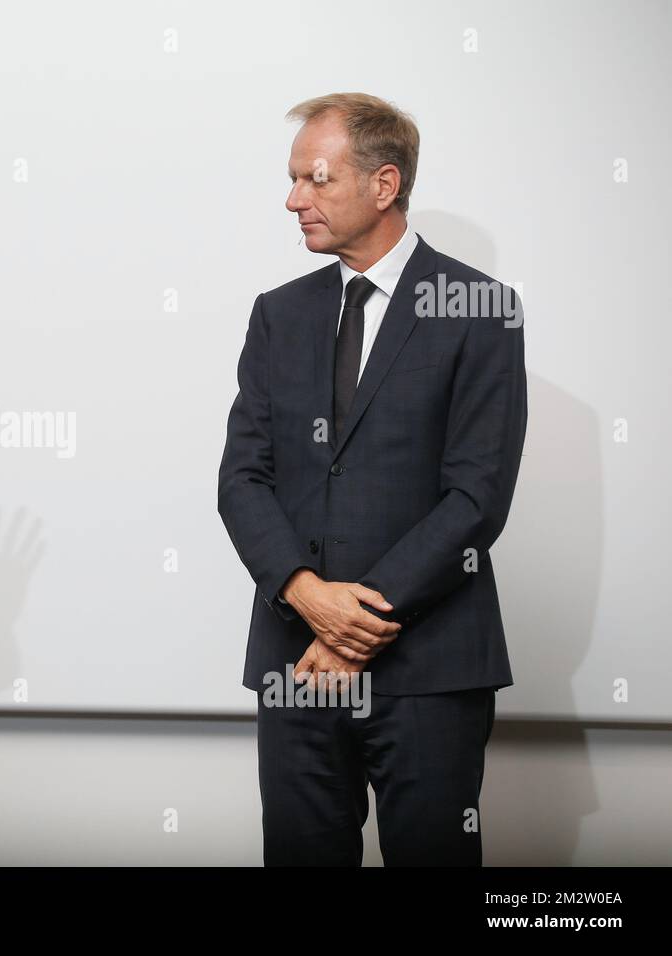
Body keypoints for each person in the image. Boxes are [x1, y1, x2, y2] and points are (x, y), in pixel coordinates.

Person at [218, 94, 527, 865]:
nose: (294, 200)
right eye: (293, 181)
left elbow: (476, 498)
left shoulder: (481, 311)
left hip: (430, 671)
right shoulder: (277, 314)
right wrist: (307, 596)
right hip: (296, 670)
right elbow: (242, 479)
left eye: (315, 179)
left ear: (384, 185)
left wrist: (355, 627)